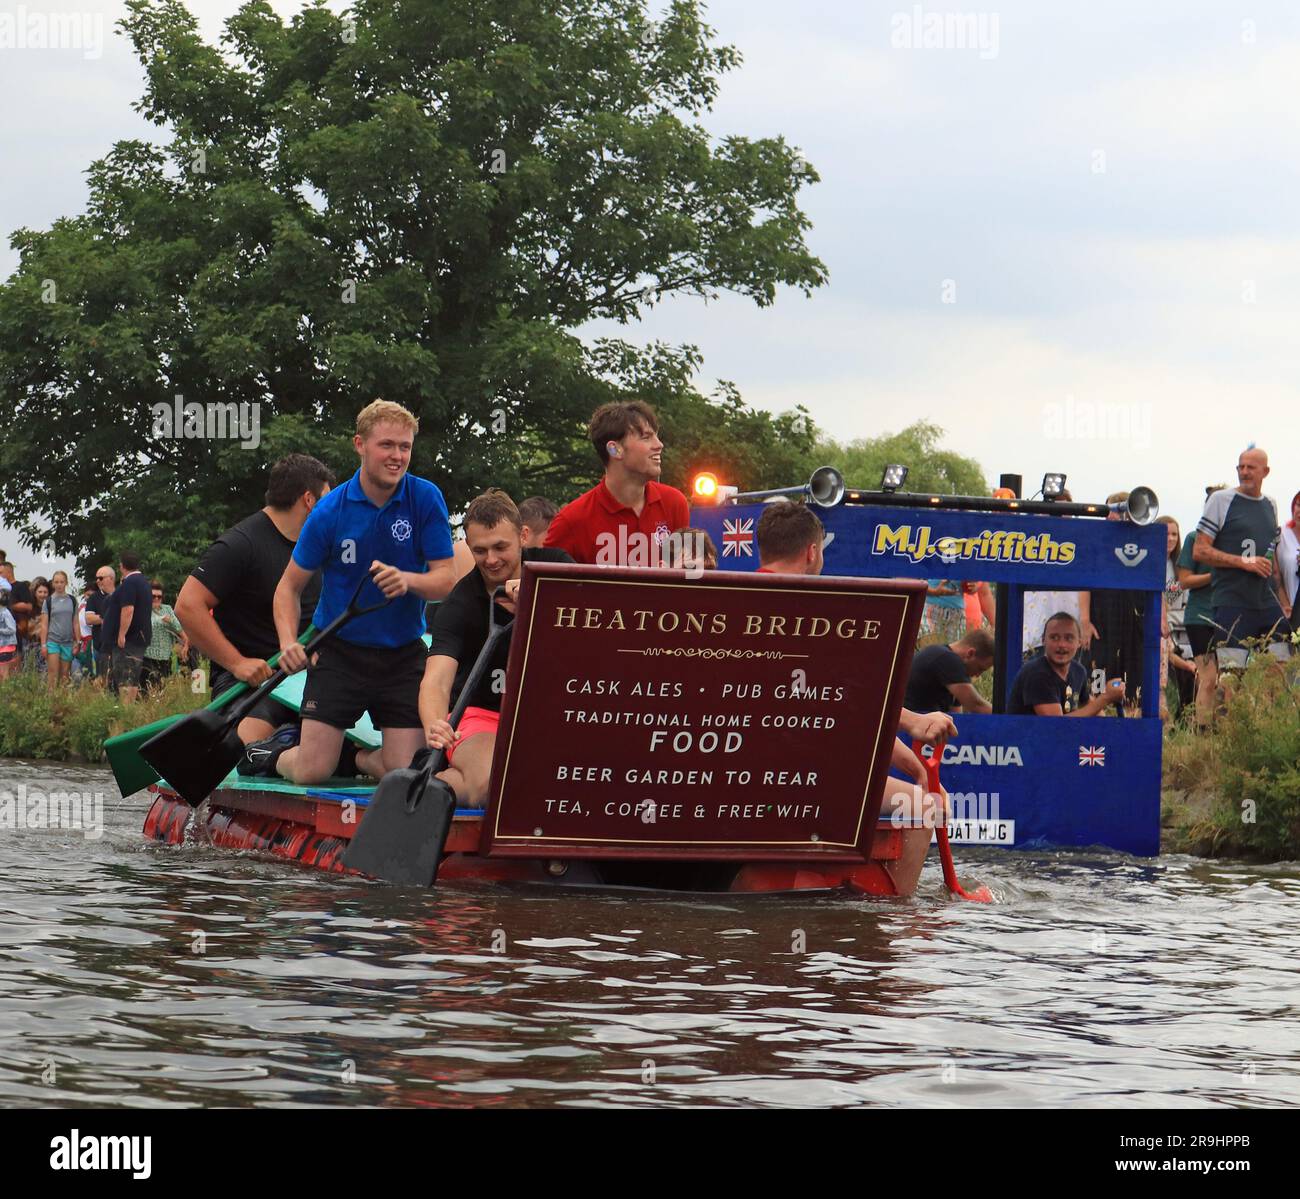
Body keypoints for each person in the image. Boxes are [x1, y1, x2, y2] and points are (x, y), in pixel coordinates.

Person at [250, 400, 457, 784]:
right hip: (338, 651)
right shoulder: (329, 511)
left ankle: (356, 758)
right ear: (360, 444)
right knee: (311, 771)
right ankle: (269, 753)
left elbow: (446, 578)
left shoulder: (425, 498)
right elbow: (288, 588)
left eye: (405, 447)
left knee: (405, 771)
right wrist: (288, 641)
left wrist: (408, 580)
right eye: (387, 445)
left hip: (402, 654)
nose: (397, 456)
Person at [750, 499, 957, 797]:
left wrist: (914, 767)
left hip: (734, 771)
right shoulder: (812, 617)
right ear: (811, 552)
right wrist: (914, 722)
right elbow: (850, 700)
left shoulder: (735, 605)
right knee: (928, 806)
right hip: (795, 776)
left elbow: (850, 710)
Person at [421, 490, 574, 807]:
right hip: (480, 717)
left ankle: (437, 780)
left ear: (523, 536)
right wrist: (435, 723)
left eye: (500, 547)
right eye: (480, 551)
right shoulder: (459, 604)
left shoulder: (557, 568)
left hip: (546, 718)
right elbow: (436, 679)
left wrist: (538, 597)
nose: (491, 560)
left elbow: (594, 625)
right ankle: (439, 777)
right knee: (495, 786)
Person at [176, 454, 333, 744]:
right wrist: (238, 663)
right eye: (328, 499)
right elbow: (187, 606)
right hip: (248, 684)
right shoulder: (240, 544)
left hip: (307, 681)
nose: (333, 509)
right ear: (309, 500)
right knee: (257, 730)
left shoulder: (321, 548)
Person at [544, 401, 690, 566]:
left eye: (656, 436)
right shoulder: (571, 521)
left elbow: (689, 582)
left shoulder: (674, 503)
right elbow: (544, 587)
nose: (659, 445)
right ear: (614, 449)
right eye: (646, 437)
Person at [1193, 447, 1293, 657]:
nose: (1244, 472)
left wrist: (1284, 602)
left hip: (1266, 601)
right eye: (1241, 467)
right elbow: (1200, 550)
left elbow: (1270, 556)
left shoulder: (1270, 504)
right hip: (1232, 602)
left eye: (1251, 467)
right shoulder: (1220, 500)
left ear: (1265, 472)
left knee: (1282, 667)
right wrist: (1243, 562)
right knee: (1232, 675)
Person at [1079, 492, 1146, 714]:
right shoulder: (1095, 543)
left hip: (1132, 622)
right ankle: (1097, 722)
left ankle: (1131, 728)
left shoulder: (1142, 541)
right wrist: (1085, 621)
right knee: (1098, 681)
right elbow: (1084, 584)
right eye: (1112, 510)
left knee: (1133, 686)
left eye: (1122, 510)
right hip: (1102, 621)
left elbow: (1158, 586)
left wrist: (1160, 619)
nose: (1116, 516)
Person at [1009, 613, 1126, 716]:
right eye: (1054, 638)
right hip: (1027, 739)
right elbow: (1057, 726)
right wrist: (1105, 698)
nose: (1061, 645)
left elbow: (1090, 706)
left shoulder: (1078, 671)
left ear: (1079, 642)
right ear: (1043, 640)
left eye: (1069, 638)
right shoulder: (1036, 674)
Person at [1156, 516, 1195, 717]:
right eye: (1166, 533)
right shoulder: (1151, 563)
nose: (1170, 538)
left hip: (1181, 628)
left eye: (1174, 534)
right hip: (1159, 628)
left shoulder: (1179, 564)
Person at [904, 629, 995, 715]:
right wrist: (1007, 716)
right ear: (970, 653)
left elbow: (956, 714)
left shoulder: (952, 672)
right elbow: (976, 705)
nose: (978, 675)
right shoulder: (947, 659)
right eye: (980, 669)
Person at [103, 551, 152, 704]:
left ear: (122, 566)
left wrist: (121, 634)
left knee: (126, 676)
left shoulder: (130, 583)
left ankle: (126, 710)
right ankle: (129, 708)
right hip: (139, 636)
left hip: (129, 638)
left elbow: (128, 609)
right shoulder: (143, 581)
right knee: (132, 675)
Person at [141, 581, 185, 692]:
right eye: (153, 596)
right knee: (147, 688)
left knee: (161, 688)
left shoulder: (167, 609)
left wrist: (170, 621)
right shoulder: (143, 610)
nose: (156, 598)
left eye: (159, 596)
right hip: (147, 655)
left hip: (165, 656)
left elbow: (179, 628)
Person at [39, 571, 77, 691]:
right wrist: (43, 645)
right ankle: (50, 702)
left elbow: (75, 622)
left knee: (65, 675)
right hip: (53, 641)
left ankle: (62, 703)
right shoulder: (49, 601)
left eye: (61, 582)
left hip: (68, 642)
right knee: (53, 673)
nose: (59, 584)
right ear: (53, 584)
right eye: (56, 582)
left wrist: (78, 641)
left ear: (66, 583)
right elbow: (44, 625)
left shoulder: (72, 600)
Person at [83, 566, 116, 685]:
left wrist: (102, 618)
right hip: (100, 646)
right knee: (103, 679)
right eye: (97, 578)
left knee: (118, 678)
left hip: (120, 646)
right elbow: (89, 619)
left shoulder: (121, 594)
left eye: (100, 578)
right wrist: (109, 619)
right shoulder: (94, 598)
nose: (97, 581)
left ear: (111, 578)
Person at [1278, 489, 1300, 618]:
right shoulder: (1281, 535)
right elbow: (1275, 576)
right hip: (1291, 611)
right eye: (1298, 505)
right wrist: (1285, 605)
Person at [0, 585, 17, 681]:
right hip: (2, 646)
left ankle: (6, 693)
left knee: (4, 674)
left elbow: (12, 629)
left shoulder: (5, 613)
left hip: (6, 647)